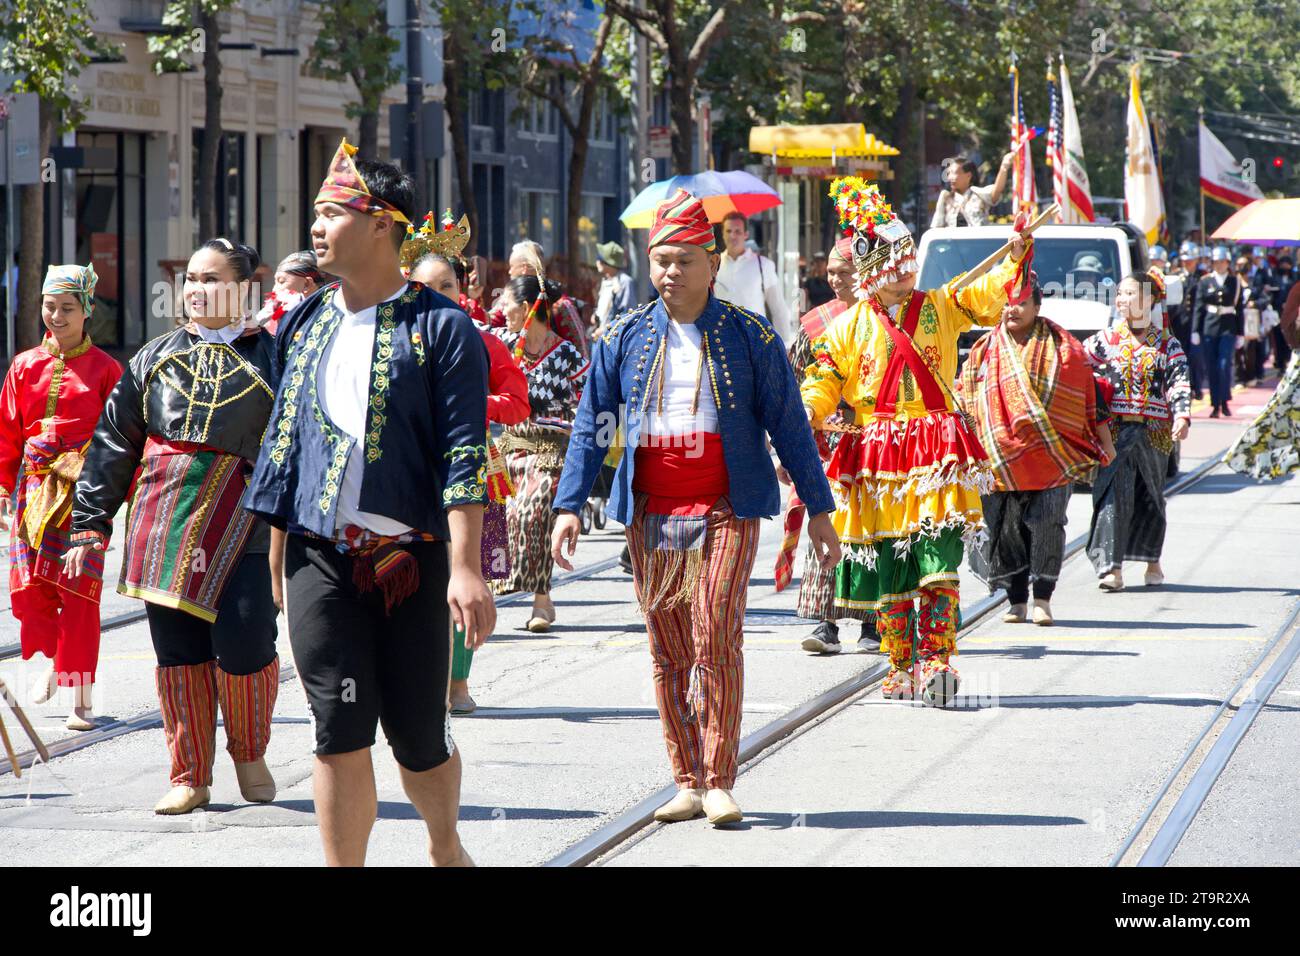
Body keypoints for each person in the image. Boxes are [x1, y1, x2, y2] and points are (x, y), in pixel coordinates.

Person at [551, 188, 839, 826]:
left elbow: (791, 427)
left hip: (724, 510)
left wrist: (817, 508)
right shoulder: (622, 337)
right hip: (655, 517)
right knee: (669, 646)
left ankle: (719, 779)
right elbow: (592, 423)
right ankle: (685, 777)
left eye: (684, 261)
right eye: (660, 261)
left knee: (714, 631)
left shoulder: (751, 336)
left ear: (713, 264)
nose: (670, 274)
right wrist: (570, 503)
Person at [242, 139, 494, 866]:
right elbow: (286, 451)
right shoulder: (305, 322)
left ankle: (444, 844)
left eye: (330, 214)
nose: (315, 228)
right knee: (338, 726)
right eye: (315, 215)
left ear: (383, 223)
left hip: (412, 560)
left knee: (417, 739)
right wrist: (276, 556)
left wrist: (467, 568)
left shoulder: (443, 329)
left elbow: (463, 455)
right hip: (322, 557)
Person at [67, 239, 280, 813]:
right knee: (177, 650)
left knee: (246, 640)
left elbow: (297, 445)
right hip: (162, 525)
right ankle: (190, 773)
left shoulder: (275, 357)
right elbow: (114, 441)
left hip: (248, 528)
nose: (195, 289)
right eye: (190, 278)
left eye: (211, 279)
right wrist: (90, 524)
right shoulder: (153, 357)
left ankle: (249, 753)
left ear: (243, 289)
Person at [800, 176, 1031, 705]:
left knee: (937, 560)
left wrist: (1013, 259)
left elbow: (988, 297)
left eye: (908, 259)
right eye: (896, 262)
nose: (907, 270)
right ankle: (901, 663)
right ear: (874, 272)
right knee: (888, 565)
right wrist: (807, 413)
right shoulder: (845, 328)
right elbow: (823, 381)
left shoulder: (942, 305)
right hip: (876, 456)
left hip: (935, 450)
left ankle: (938, 661)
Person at [406, 213, 530, 713]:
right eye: (424, 286)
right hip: (410, 473)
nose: (436, 294)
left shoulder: (485, 341)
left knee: (465, 577)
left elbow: (518, 404)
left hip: (468, 470)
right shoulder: (388, 341)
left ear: (463, 289)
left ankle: (457, 683)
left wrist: (468, 403)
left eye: (446, 285)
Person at [0, 265, 120, 730]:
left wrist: (107, 501)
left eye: (67, 308)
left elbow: (118, 442)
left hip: (83, 497)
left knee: (81, 595)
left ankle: (80, 701)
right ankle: (56, 659)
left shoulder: (108, 371)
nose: (56, 316)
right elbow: (9, 432)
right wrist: (5, 489)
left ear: (87, 311)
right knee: (30, 592)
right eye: (49, 307)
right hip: (32, 493)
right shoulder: (23, 365)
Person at [956, 280, 1115, 625]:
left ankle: (1042, 597)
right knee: (1007, 528)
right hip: (998, 459)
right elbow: (965, 399)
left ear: (1037, 307)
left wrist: (1106, 441)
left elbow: (1089, 395)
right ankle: (1016, 600)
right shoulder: (984, 349)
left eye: (1022, 303)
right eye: (1008, 302)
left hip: (1051, 454)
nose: (1013, 309)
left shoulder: (1065, 348)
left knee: (1047, 524)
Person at [777, 237, 876, 655]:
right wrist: (786, 447)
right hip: (825, 446)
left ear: (868, 273)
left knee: (872, 532)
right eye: (832, 272)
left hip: (875, 443)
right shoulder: (815, 323)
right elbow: (791, 383)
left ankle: (874, 622)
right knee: (826, 522)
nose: (836, 279)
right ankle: (826, 622)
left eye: (846, 271)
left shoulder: (885, 320)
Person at [492, 264, 589, 632]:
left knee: (533, 508)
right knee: (493, 508)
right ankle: (492, 589)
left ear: (529, 307)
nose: (502, 308)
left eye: (508, 301)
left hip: (549, 454)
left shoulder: (566, 356)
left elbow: (587, 404)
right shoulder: (503, 344)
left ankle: (541, 600)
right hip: (509, 448)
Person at [1083, 271, 1191, 591]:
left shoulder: (1168, 345)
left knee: (1151, 498)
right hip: (1114, 433)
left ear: (1147, 300)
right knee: (1112, 497)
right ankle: (1111, 568)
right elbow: (1074, 362)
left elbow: (1179, 382)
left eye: (1129, 294)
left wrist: (1182, 416)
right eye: (1119, 294)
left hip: (1155, 433)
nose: (1121, 300)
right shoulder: (1106, 340)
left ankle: (1152, 560)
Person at [714, 211, 794, 345]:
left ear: (746, 234)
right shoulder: (714, 265)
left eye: (737, 231)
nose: (732, 236)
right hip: (722, 341)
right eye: (728, 231)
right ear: (722, 233)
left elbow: (778, 308)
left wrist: (785, 345)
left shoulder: (763, 265)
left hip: (755, 342)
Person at [502, 240, 589, 357]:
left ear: (524, 267)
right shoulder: (510, 303)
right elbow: (488, 326)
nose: (509, 271)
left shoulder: (560, 305)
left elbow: (582, 352)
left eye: (512, 266)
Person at [1193, 246, 1242, 418]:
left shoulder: (1235, 282)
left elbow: (1239, 309)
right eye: (1216, 262)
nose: (1219, 265)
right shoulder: (1205, 281)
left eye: (1222, 262)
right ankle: (1215, 404)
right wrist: (1195, 330)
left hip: (1228, 327)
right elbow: (1199, 307)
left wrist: (1241, 333)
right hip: (1210, 326)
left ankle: (1225, 400)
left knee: (1224, 365)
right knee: (1212, 367)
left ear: (1228, 263)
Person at [930, 152, 1015, 228]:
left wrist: (1004, 167)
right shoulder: (946, 198)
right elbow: (937, 227)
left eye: (954, 173)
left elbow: (996, 191)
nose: (949, 177)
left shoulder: (979, 194)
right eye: (949, 173)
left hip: (977, 243)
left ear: (968, 176)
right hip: (954, 244)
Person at [257, 250, 329, 334]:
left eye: (281, 281)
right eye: (275, 282)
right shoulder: (275, 321)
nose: (274, 289)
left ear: (306, 284)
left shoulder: (328, 319)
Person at [591, 240, 634, 337]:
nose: (597, 262)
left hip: (612, 338)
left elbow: (628, 313)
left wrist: (606, 329)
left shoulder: (624, 282)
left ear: (606, 262)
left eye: (599, 259)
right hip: (598, 336)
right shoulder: (604, 280)